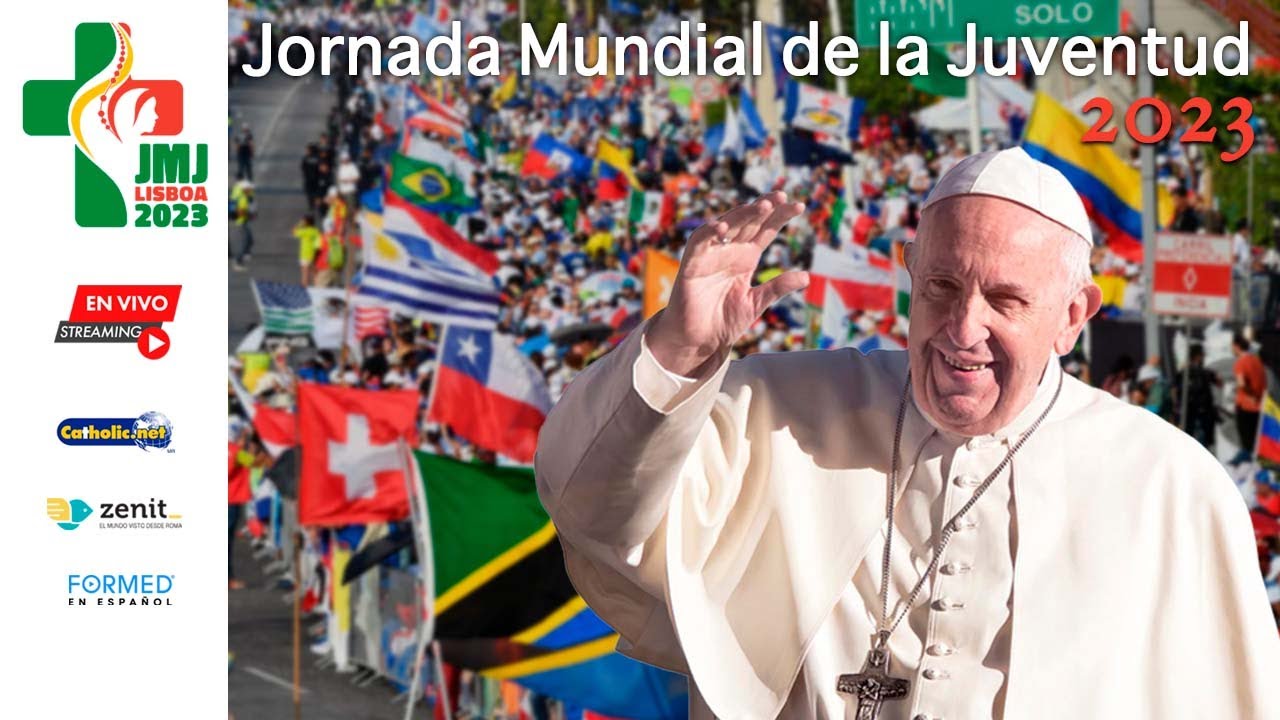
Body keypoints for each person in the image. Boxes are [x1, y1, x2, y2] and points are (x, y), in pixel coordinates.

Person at [536, 149, 1279, 719]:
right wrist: (679, 350)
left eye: (1007, 300)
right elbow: (592, 509)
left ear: (1074, 317)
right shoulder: (779, 409)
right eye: (943, 287)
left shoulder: (1168, 484)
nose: (964, 329)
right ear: (910, 274)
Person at [1173, 343, 1221, 451]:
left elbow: (1175, 392)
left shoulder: (1182, 373)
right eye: (1203, 355)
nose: (1204, 358)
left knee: (1188, 444)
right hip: (1201, 414)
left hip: (1188, 414)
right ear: (1198, 356)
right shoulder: (1204, 373)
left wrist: (1176, 411)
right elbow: (1219, 382)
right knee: (1202, 446)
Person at [1233, 332, 1267, 464]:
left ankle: (1243, 467)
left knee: (1245, 441)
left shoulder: (1241, 363)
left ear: (1236, 346)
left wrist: (1246, 392)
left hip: (1245, 405)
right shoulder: (1257, 361)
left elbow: (1242, 384)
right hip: (1259, 406)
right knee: (1255, 440)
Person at [230, 179, 256, 271]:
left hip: (242, 222)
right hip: (241, 222)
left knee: (249, 240)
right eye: (249, 189)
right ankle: (237, 261)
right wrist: (249, 215)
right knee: (244, 242)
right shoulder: (243, 198)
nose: (251, 190)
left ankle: (243, 256)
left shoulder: (242, 196)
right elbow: (240, 212)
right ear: (245, 189)